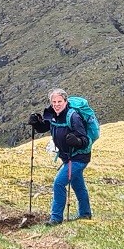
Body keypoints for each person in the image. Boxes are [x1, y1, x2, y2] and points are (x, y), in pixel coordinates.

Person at [28, 88, 100, 225]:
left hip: (79, 157)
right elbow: (44, 127)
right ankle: (85, 214)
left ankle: (56, 218)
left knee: (59, 183)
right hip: (67, 158)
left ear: (65, 101)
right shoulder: (52, 114)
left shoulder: (73, 117)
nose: (56, 104)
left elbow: (85, 140)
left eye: (59, 101)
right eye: (54, 102)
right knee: (78, 185)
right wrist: (36, 123)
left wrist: (76, 141)